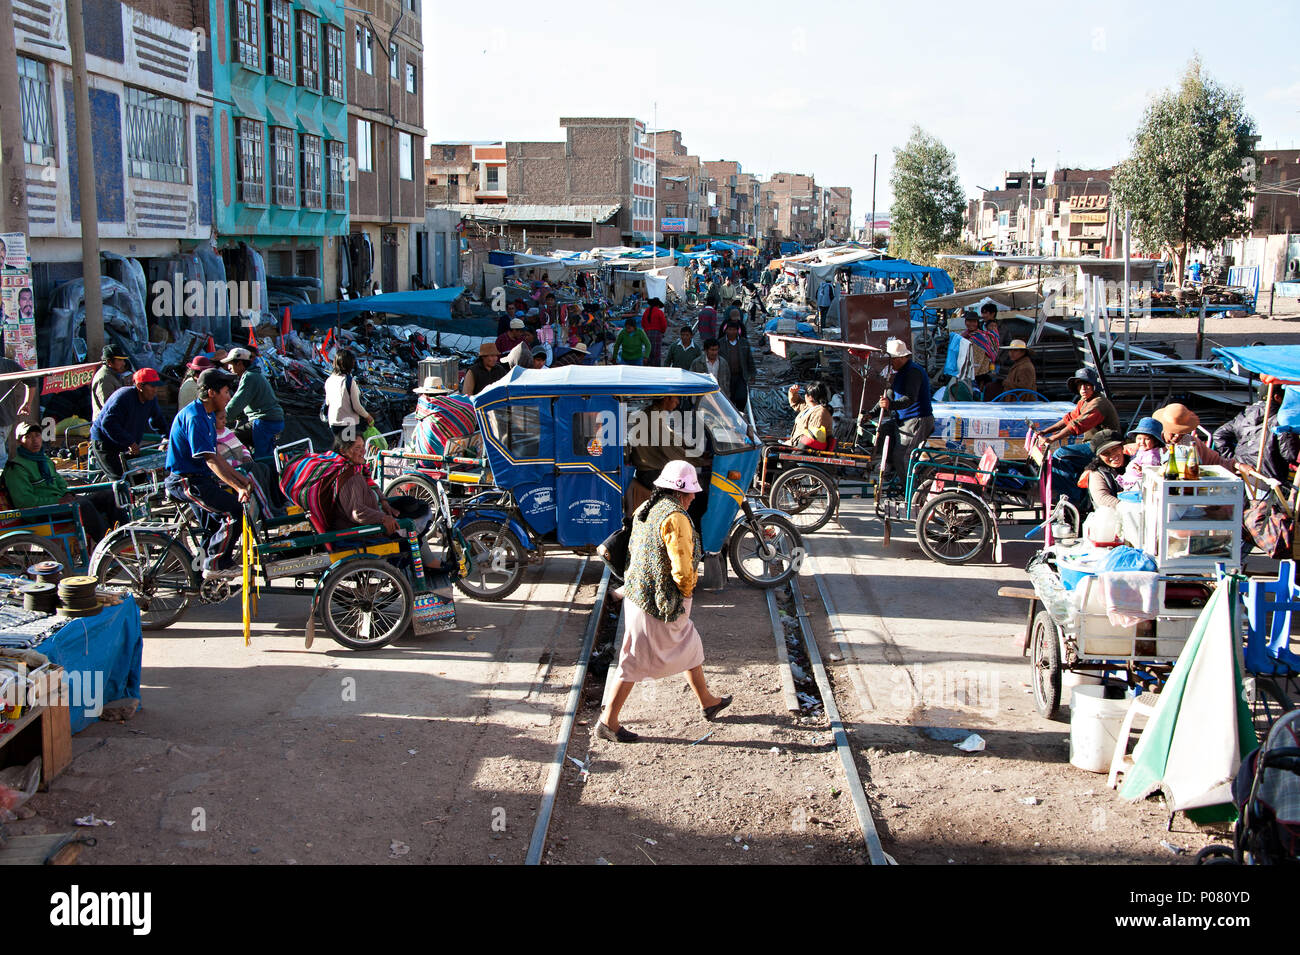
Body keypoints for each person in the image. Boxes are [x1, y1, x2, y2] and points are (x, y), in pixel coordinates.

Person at [595, 460, 731, 743]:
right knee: (633, 661)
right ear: (679, 492)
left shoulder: (647, 507)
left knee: (689, 644)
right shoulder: (676, 518)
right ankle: (608, 722)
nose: (694, 496)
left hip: (637, 594)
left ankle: (708, 701)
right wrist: (688, 590)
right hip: (657, 603)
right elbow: (681, 566)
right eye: (691, 492)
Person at [164, 368, 252, 577]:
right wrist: (238, 487)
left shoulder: (208, 416)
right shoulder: (196, 417)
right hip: (186, 481)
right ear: (211, 393)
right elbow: (210, 460)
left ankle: (198, 578)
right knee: (234, 512)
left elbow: (217, 457)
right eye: (226, 392)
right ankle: (216, 565)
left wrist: (241, 480)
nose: (229, 397)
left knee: (212, 527)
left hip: (201, 478)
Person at [3, 421, 123, 547]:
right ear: (19, 441)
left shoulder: (45, 460)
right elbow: (25, 502)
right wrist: (58, 501)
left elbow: (60, 483)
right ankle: (110, 546)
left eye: (37, 435)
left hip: (61, 504)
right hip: (40, 512)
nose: (35, 441)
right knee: (82, 505)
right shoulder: (16, 468)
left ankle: (125, 539)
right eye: (28, 437)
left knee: (108, 496)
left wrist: (67, 495)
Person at [1037, 367, 1120, 504]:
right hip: (1093, 443)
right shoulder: (1084, 401)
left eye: (1087, 385)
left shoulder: (1098, 403)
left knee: (1061, 455)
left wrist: (1053, 438)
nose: (1083, 389)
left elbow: (1077, 425)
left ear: (1094, 386)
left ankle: (1072, 499)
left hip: (1105, 446)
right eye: (1080, 385)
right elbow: (1068, 419)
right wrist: (1046, 431)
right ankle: (1074, 491)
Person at [875, 338, 933, 483]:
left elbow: (909, 399)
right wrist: (872, 412)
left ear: (901, 358)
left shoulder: (913, 372)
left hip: (917, 419)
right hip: (903, 419)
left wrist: (890, 405)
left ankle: (911, 492)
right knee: (883, 430)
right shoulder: (900, 372)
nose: (891, 363)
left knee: (901, 456)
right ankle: (889, 469)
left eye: (893, 359)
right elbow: (889, 395)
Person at [90, 368, 166, 478]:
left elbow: (158, 420)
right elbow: (108, 424)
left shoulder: (151, 399)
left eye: (157, 386)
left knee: (139, 477)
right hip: (105, 441)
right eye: (152, 386)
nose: (155, 390)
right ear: (140, 386)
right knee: (120, 479)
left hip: (126, 441)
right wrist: (129, 442)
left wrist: (168, 437)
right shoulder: (123, 397)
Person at [222, 346, 284, 470]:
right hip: (271, 420)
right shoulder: (254, 374)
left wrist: (220, 419)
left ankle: (258, 477)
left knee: (235, 438)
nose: (228, 367)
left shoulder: (250, 377)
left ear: (239, 363)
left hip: (265, 422)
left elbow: (236, 404)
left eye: (230, 364)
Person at [1213, 385, 1294, 479]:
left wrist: (1234, 461)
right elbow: (1289, 455)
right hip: (1268, 476)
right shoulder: (1281, 419)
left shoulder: (1244, 414)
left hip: (1244, 471)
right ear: (1277, 397)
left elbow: (1218, 435)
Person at [1146, 403, 1235, 471]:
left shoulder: (1192, 443)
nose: (1177, 436)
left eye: (1182, 433)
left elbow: (1217, 461)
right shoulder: (1149, 441)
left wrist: (1237, 465)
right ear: (1164, 428)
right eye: (1173, 433)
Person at [324, 349, 374, 432]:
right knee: (350, 445)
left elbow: (327, 402)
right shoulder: (349, 381)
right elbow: (356, 406)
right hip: (348, 423)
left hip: (333, 422)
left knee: (340, 445)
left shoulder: (329, 380)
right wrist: (368, 416)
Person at [0, 346, 33, 470]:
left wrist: (27, 403)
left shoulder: (6, 364)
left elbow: (31, 380)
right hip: (6, 419)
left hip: (3, 420)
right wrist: (27, 403)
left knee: (1, 461)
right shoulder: (7, 364)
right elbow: (31, 381)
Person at [1082, 429, 1127, 511]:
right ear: (1099, 456)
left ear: (1122, 447)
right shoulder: (1097, 473)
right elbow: (1102, 498)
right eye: (1105, 453)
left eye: (1115, 449)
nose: (1112, 455)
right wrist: (1128, 507)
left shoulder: (1135, 463)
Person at [717, 319, 755, 413]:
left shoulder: (743, 343)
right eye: (729, 329)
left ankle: (740, 413)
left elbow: (749, 359)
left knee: (742, 397)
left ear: (737, 331)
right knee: (728, 396)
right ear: (726, 330)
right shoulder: (720, 343)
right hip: (725, 376)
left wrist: (752, 374)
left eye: (734, 330)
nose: (732, 332)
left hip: (740, 375)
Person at [1120, 417, 1165, 490]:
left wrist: (1142, 470)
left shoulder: (1151, 456)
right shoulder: (1141, 451)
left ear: (1156, 441)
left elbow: (1152, 472)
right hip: (1132, 482)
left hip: (1139, 485)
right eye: (1139, 438)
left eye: (1147, 439)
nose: (1142, 442)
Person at [787, 382, 834, 450]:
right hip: (796, 445)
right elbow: (796, 403)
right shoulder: (809, 407)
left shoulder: (820, 412)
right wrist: (793, 393)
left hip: (802, 449)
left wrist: (794, 446)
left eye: (805, 394)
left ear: (810, 397)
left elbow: (813, 437)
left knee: (768, 449)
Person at [91, 344, 130, 418]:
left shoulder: (115, 375)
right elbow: (109, 406)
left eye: (123, 360)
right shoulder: (104, 378)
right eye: (119, 360)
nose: (123, 363)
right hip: (106, 425)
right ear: (109, 362)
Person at [641, 298, 667, 366]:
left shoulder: (646, 311)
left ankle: (647, 365)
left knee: (648, 350)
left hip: (647, 333)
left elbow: (642, 323)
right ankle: (655, 367)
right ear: (657, 305)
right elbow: (664, 324)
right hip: (657, 333)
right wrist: (662, 332)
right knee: (656, 353)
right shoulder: (659, 312)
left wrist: (646, 330)